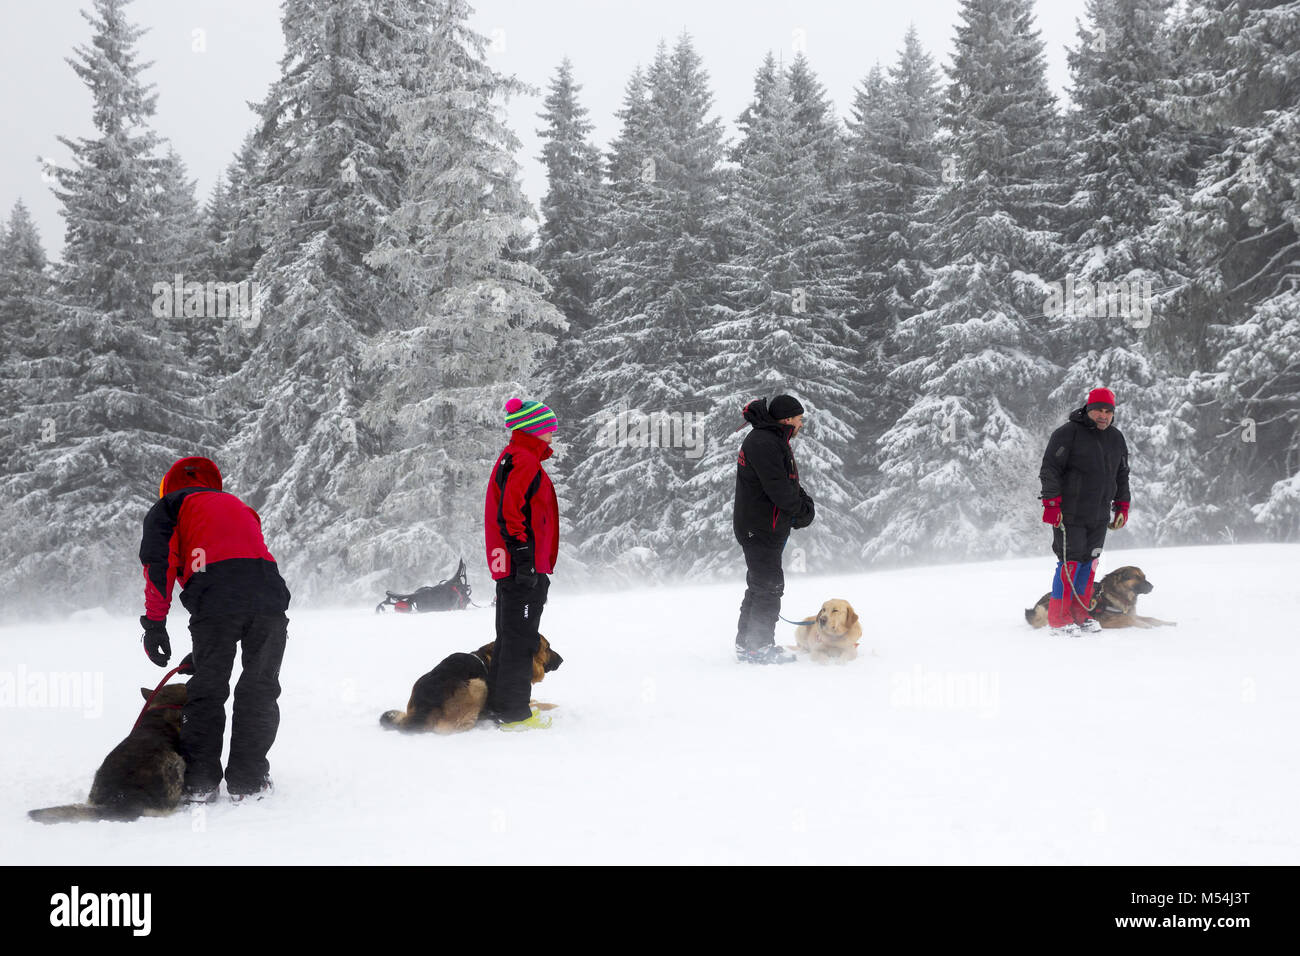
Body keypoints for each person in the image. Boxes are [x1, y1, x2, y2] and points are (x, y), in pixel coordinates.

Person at [139, 456, 291, 802]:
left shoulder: (168, 507)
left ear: (169, 486)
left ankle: (200, 782)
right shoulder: (239, 506)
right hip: (269, 595)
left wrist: (155, 623)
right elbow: (242, 562)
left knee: (208, 689)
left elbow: (159, 566)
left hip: (215, 596)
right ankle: (249, 782)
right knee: (260, 688)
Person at [484, 398, 560, 729]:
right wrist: (525, 556)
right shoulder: (524, 460)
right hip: (521, 568)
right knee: (519, 639)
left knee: (510, 635)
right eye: (550, 430)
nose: (553, 436)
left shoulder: (516, 456)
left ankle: (504, 702)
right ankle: (513, 713)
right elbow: (510, 512)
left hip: (517, 566)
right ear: (536, 430)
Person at [1038, 387, 1131, 636]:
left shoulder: (1116, 438)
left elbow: (1122, 474)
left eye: (1108, 411)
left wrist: (1122, 504)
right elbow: (1049, 469)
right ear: (1088, 409)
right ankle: (1058, 619)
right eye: (1099, 410)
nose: (1103, 415)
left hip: (1099, 515)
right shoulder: (1067, 434)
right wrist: (1051, 504)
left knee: (1089, 564)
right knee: (1070, 563)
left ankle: (1080, 613)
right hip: (1070, 514)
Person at [732, 395, 815, 664]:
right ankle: (759, 646)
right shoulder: (765, 442)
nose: (802, 424)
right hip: (760, 528)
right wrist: (801, 510)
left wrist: (803, 504)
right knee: (769, 586)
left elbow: (785, 483)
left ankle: (747, 645)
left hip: (762, 525)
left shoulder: (770, 440)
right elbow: (778, 488)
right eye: (800, 419)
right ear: (788, 419)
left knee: (759, 585)